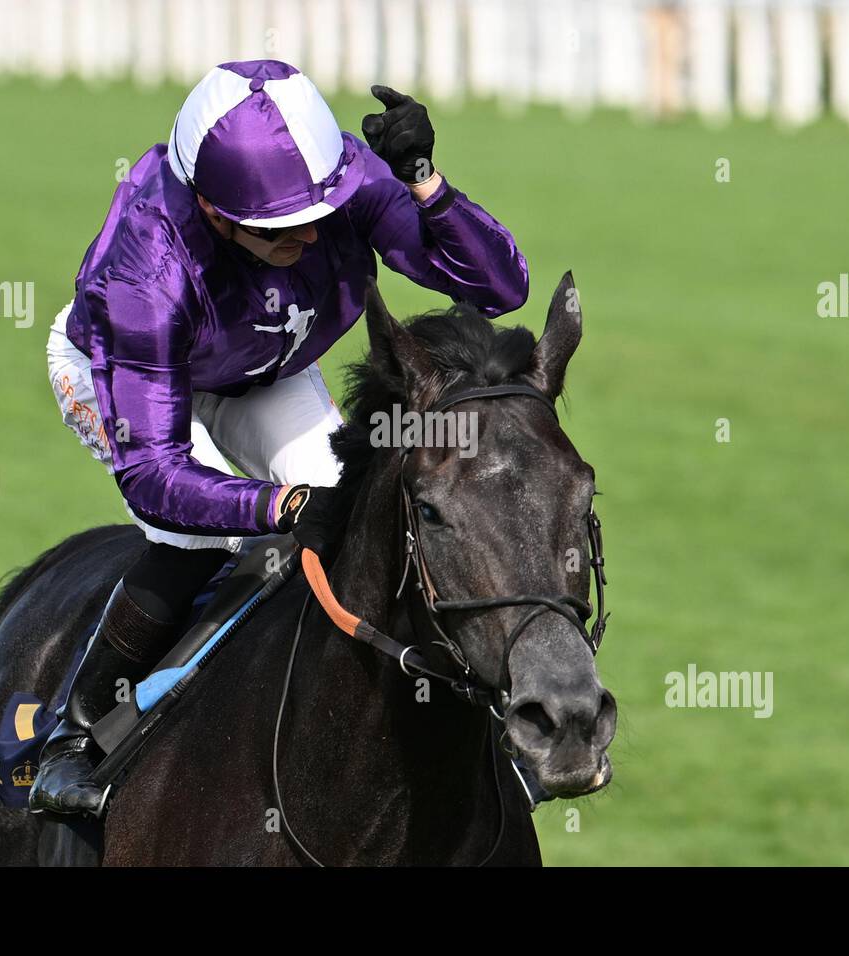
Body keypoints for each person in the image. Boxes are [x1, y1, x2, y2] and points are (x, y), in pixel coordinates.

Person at [33, 59, 529, 815]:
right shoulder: (144, 269)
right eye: (280, 227)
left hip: (265, 368)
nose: (306, 232)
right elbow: (157, 476)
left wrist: (426, 183)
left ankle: (456, 725)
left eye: (314, 215)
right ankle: (72, 732)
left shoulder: (340, 184)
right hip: (135, 375)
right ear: (214, 212)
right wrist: (280, 505)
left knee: (362, 519)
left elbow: (499, 289)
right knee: (199, 541)